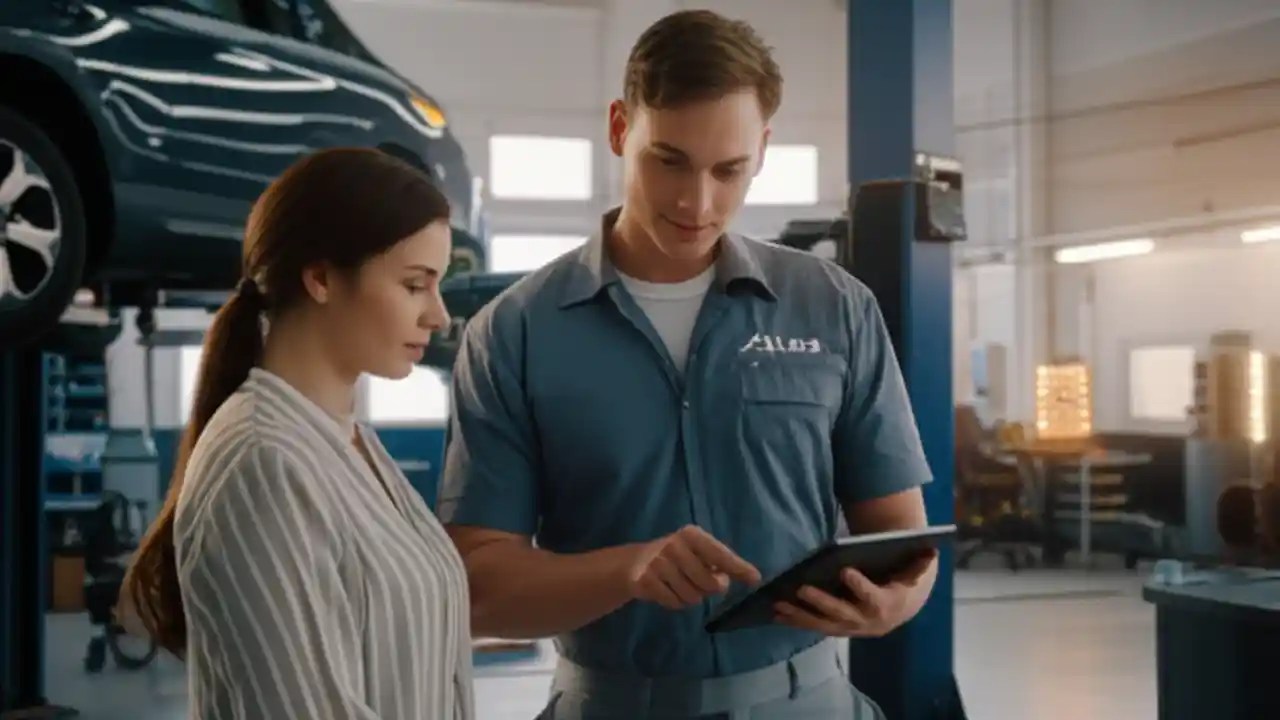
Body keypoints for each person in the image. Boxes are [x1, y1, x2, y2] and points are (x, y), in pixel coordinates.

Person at [438, 9, 937, 720]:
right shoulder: (515, 332)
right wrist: (626, 571)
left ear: (762, 149)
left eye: (729, 170)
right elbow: (479, 584)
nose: (696, 202)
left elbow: (903, 539)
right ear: (619, 128)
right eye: (667, 160)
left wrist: (895, 603)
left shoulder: (833, 309)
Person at [122, 148, 475, 720]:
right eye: (415, 285)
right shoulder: (264, 464)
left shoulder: (351, 443)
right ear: (321, 278)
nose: (438, 315)